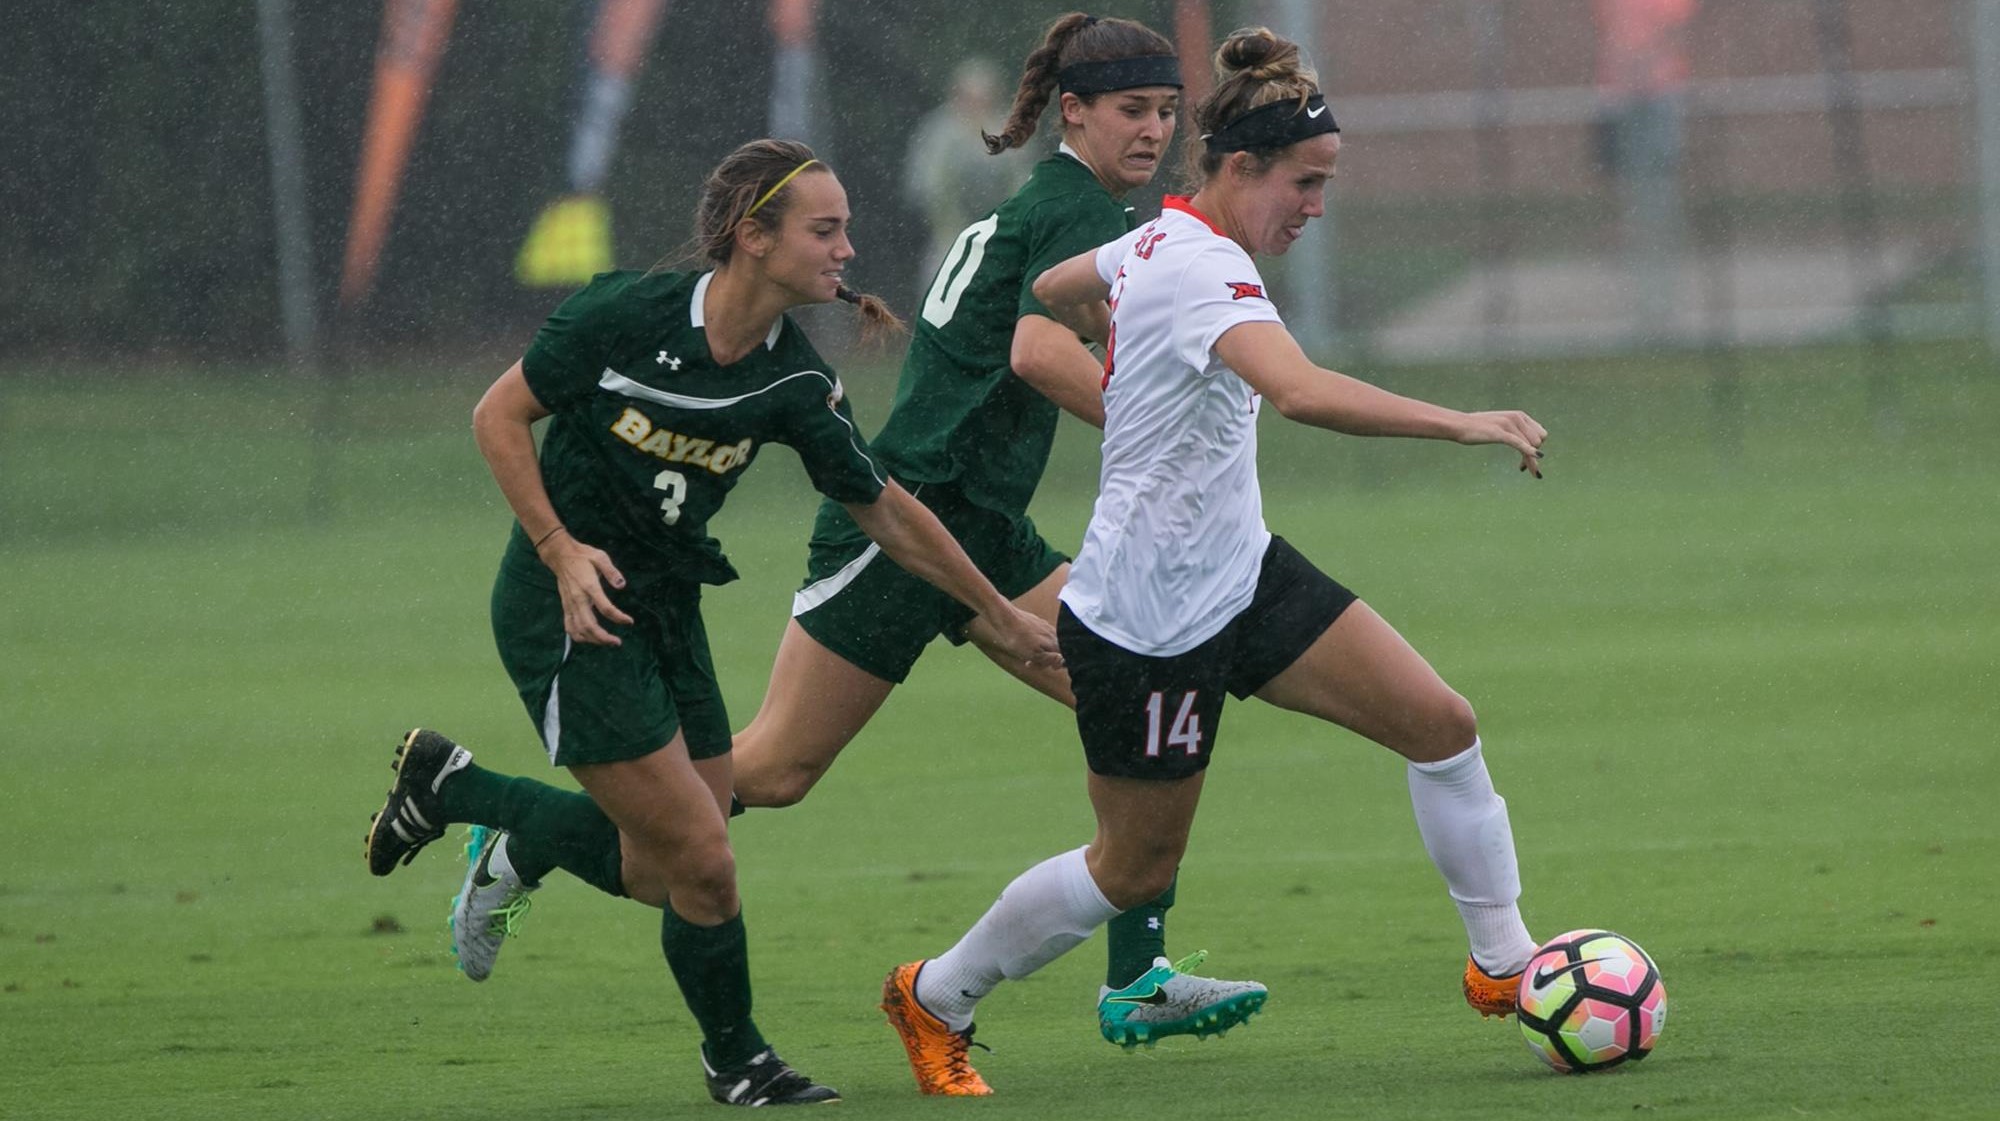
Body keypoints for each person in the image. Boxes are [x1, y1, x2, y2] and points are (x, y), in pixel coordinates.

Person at [453, 12, 1268, 1063]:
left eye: (1166, 111)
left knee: (1144, 699)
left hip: (985, 528)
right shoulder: (1070, 210)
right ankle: (533, 835)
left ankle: (1136, 973)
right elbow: (1035, 353)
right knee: (770, 774)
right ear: (1072, 113)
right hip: (909, 518)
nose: (1153, 129)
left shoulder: (1086, 208)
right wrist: (1152, 411)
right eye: (1131, 110)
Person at [879, 28, 1551, 1096]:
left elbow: (1054, 281)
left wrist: (1112, 338)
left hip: (1238, 572)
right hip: (1146, 620)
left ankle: (1506, 964)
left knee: (1441, 724)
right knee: (1128, 867)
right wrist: (1462, 420)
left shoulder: (1154, 238)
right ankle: (936, 992)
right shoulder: (1198, 265)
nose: (1315, 206)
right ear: (1240, 167)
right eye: (1305, 182)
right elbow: (1298, 392)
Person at [361, 137, 1061, 1109]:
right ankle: (738, 1062)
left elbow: (887, 510)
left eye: (846, 229)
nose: (847, 248)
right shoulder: (623, 314)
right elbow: (496, 415)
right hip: (567, 609)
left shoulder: (792, 380)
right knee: (702, 861)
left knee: (672, 863)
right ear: (753, 238)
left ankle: (471, 797)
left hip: (669, 608)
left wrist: (994, 609)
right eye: (826, 229)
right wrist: (560, 549)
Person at [1592, 0, 1698, 340]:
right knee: (1628, 196)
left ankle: (1660, 303)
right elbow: (1614, 38)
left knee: (1656, 200)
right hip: (1620, 100)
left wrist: (1644, 69)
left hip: (1657, 96)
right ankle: (1640, 295)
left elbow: (1672, 33)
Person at [903, 57, 1032, 287]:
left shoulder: (1010, 131)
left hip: (1001, 233)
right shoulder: (939, 133)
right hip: (950, 231)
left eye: (984, 96)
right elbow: (925, 186)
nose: (977, 104)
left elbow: (1023, 183)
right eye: (970, 96)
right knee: (940, 279)